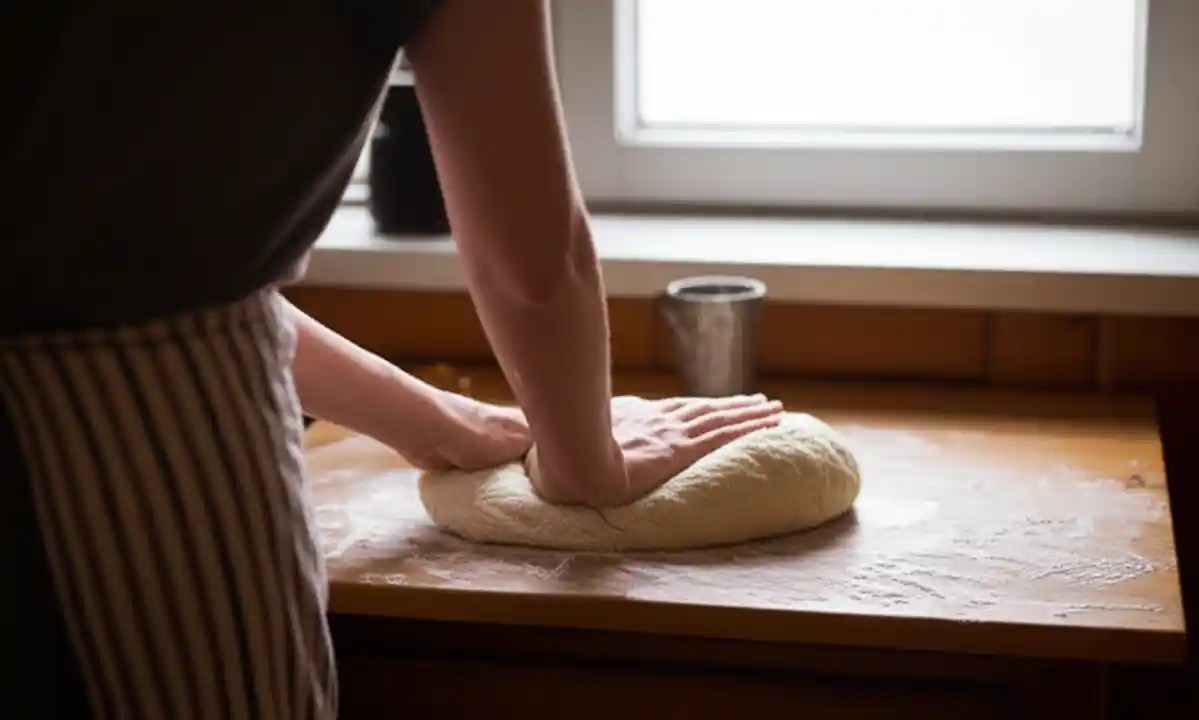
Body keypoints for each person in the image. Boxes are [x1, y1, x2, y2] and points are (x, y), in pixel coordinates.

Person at [0, 2, 784, 717]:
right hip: (149, 476)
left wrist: (433, 419)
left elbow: (118, 265)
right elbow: (535, 266)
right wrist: (586, 463)